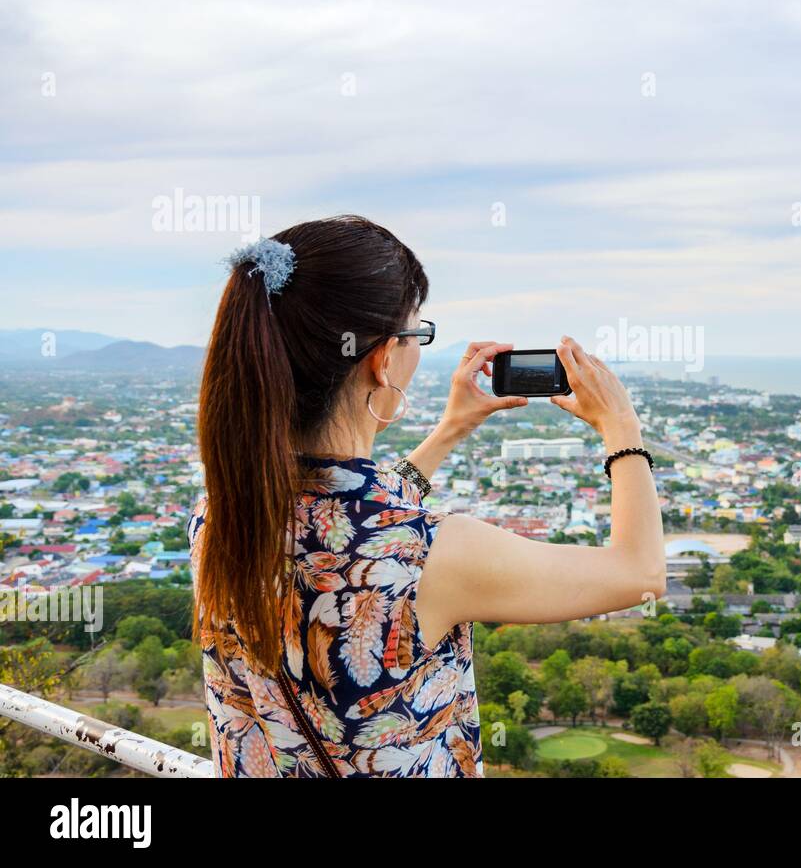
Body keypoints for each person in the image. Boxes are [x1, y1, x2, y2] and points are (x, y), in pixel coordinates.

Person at [188, 215, 664, 777]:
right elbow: (639, 574)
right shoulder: (434, 554)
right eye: (418, 334)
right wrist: (622, 431)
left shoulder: (222, 514)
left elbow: (345, 516)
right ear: (384, 359)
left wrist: (449, 431)